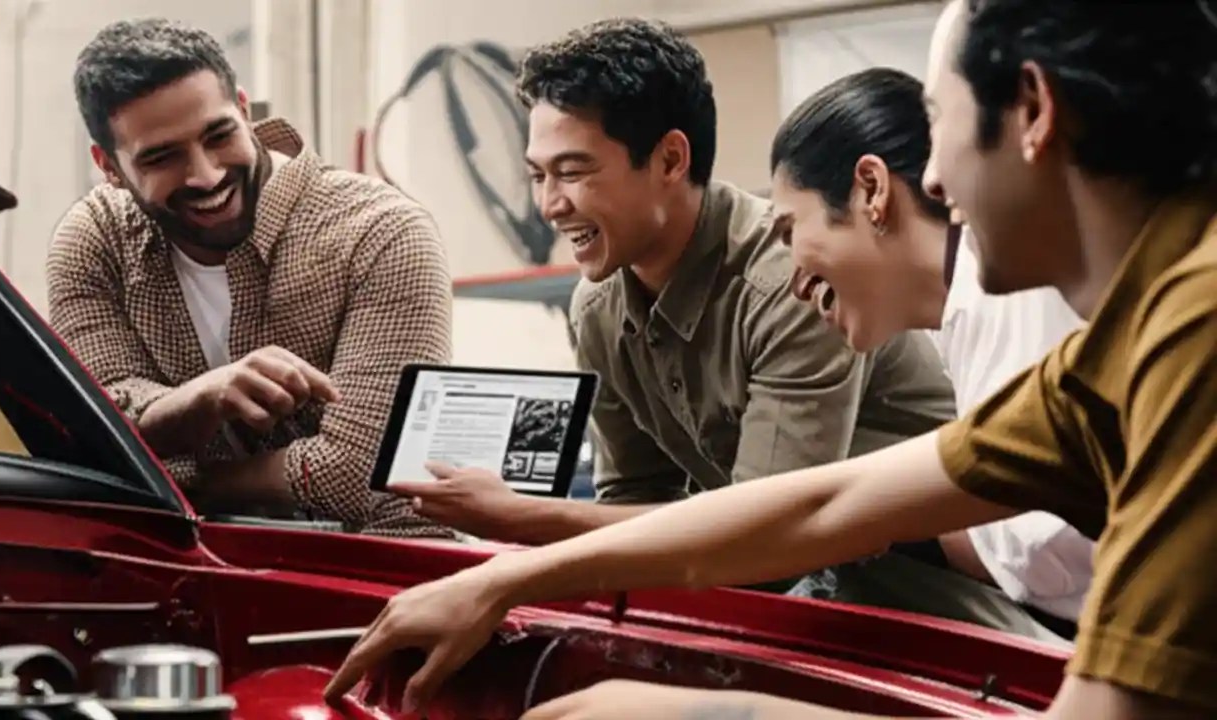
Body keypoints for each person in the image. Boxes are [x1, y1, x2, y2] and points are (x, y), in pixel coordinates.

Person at [323, 0, 1217, 717]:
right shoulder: (1115, 348)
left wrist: (718, 714)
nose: (933, 182)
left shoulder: (1196, 331)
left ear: (1031, 112)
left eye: (937, 122)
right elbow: (835, 499)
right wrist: (516, 572)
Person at [388, 17, 956, 549]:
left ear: (669, 159)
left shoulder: (793, 283)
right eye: (537, 175)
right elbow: (633, 499)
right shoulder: (598, 310)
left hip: (925, 590)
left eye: (573, 171)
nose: (549, 206)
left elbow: (767, 536)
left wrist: (528, 518)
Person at [46, 19, 453, 537]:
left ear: (244, 109)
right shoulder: (96, 240)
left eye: (219, 136)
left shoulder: (380, 233)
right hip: (184, 572)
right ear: (109, 166)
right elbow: (92, 432)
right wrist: (202, 399)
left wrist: (177, 482)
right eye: (162, 157)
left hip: (380, 575)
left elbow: (360, 475)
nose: (207, 175)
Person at [771, 67, 1089, 642]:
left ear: (871, 189)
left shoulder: (1019, 300)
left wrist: (868, 518)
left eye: (789, 231)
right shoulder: (961, 321)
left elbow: (1050, 548)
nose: (794, 283)